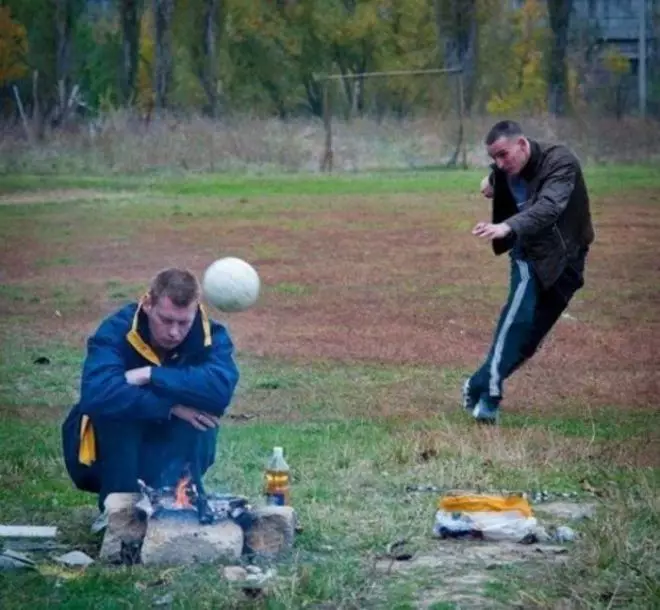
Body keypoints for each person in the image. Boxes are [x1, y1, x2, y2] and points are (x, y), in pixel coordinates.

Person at [61, 267, 239, 559]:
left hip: (172, 451)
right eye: (165, 319)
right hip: (99, 460)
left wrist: (150, 375)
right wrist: (169, 407)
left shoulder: (212, 335)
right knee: (118, 410)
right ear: (147, 304)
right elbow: (96, 394)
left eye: (183, 322)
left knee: (201, 410)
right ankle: (119, 514)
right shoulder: (117, 330)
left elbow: (220, 390)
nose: (174, 332)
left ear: (196, 310)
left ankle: (180, 504)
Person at [464, 120, 594, 424]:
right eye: (493, 158)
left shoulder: (561, 162)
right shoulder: (506, 169)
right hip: (528, 254)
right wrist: (491, 181)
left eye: (503, 154)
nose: (499, 162)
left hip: (568, 260)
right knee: (517, 319)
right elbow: (493, 182)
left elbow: (550, 206)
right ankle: (491, 397)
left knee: (529, 341)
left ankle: (476, 384)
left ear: (523, 144)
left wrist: (506, 225)